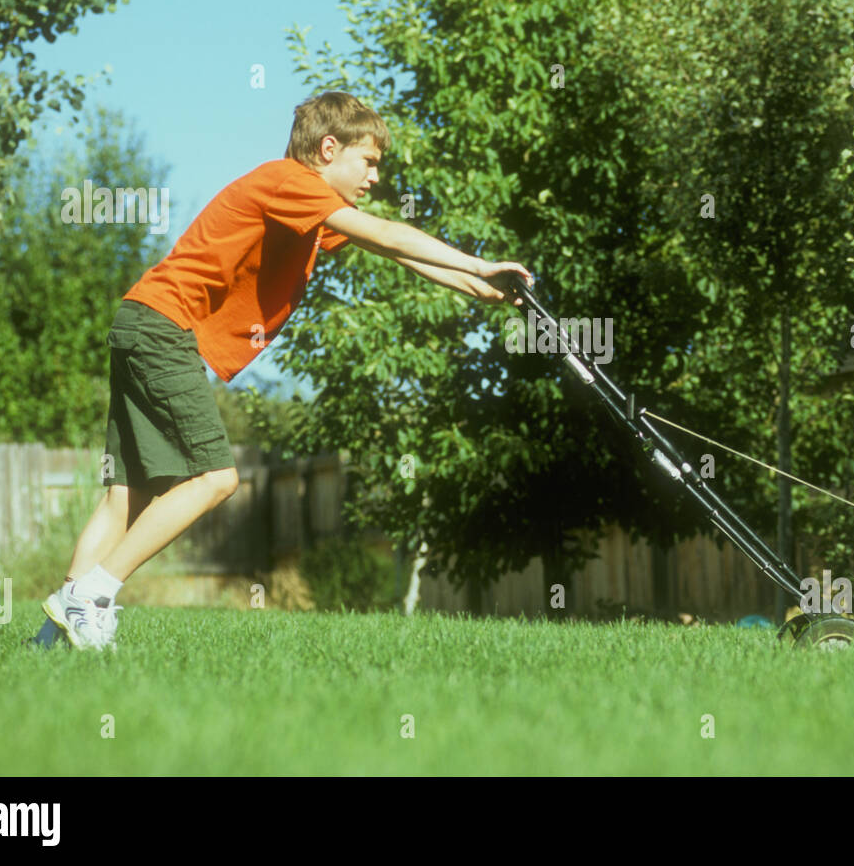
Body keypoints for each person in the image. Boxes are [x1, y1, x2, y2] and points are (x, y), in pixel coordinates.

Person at [43, 91, 531, 650]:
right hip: (161, 327)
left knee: (125, 493)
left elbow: (398, 253)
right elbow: (388, 232)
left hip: (140, 320)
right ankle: (95, 593)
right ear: (329, 148)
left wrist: (479, 286)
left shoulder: (303, 206)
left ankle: (50, 639)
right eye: (368, 162)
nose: (374, 177)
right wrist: (478, 261)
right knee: (215, 479)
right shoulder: (291, 181)